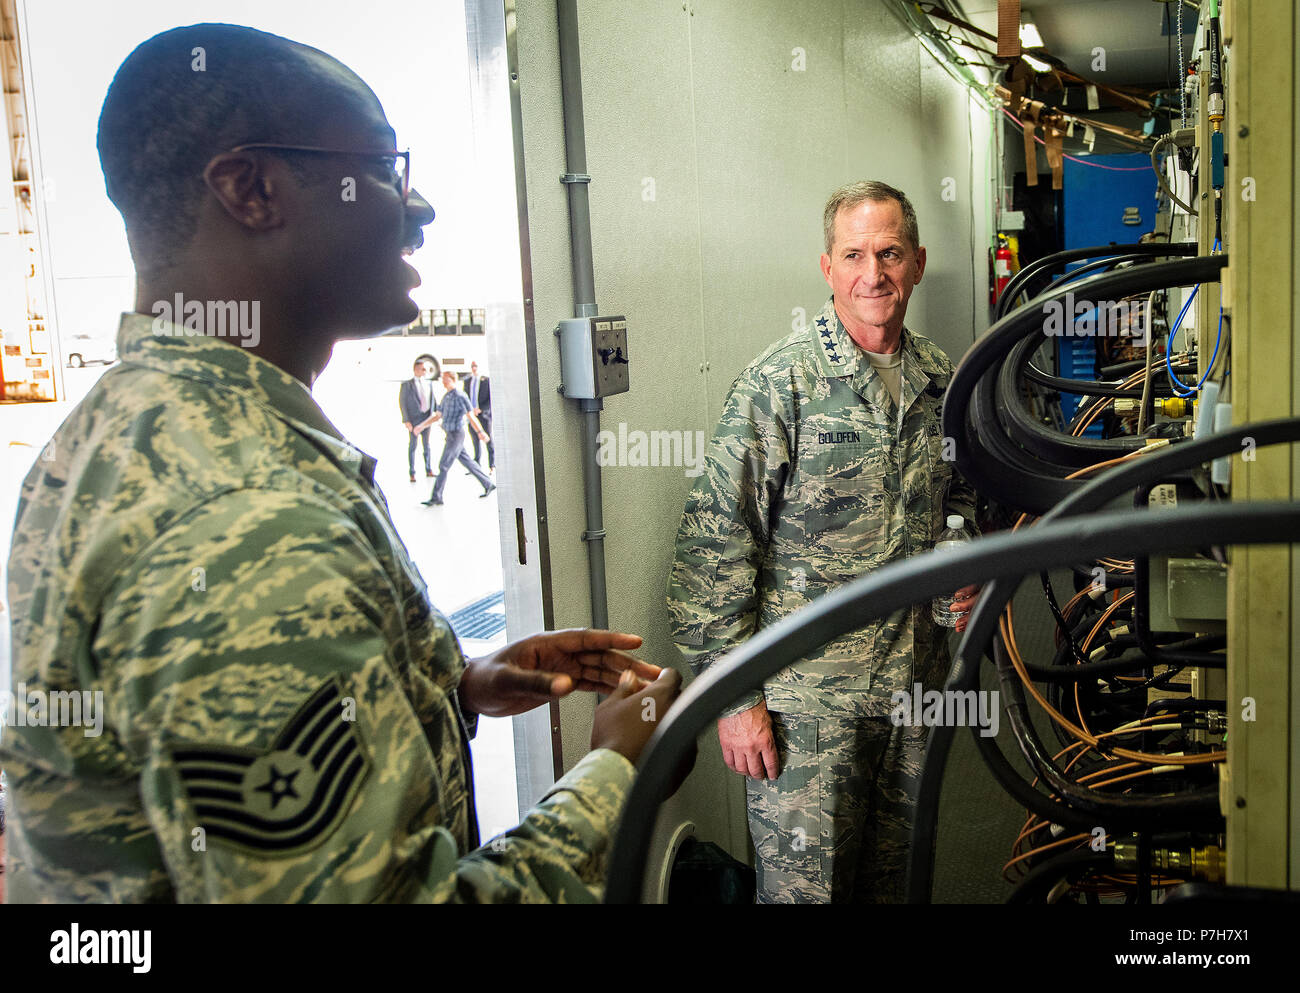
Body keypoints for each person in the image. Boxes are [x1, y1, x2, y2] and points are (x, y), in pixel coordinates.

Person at [1, 22, 682, 904]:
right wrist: (619, 766)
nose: (419, 207)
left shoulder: (121, 432)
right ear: (252, 189)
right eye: (384, 168)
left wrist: (448, 687)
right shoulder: (249, 521)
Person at [667, 180, 980, 904]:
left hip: (914, 696)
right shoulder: (780, 385)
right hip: (807, 711)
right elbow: (713, 549)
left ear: (918, 262)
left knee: (899, 889)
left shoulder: (943, 381)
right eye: (855, 255)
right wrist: (735, 699)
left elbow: (964, 501)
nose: (874, 274)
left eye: (891, 253)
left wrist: (963, 557)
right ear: (828, 267)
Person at [419, 370, 495, 506]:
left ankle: (436, 497)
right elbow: (438, 415)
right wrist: (422, 426)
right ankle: (488, 484)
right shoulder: (446, 396)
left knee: (444, 465)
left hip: (456, 435)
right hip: (450, 435)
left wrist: (481, 432)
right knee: (468, 462)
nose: (443, 381)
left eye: (446, 379)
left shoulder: (460, 396)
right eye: (443, 379)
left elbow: (470, 416)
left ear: (453, 380)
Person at [399, 355, 437, 482]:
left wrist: (436, 415)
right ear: (416, 370)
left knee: (427, 445)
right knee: (413, 446)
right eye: (422, 369)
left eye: (425, 369)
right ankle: (412, 472)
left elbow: (432, 400)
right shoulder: (407, 385)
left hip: (426, 419)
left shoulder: (428, 383)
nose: (425, 371)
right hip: (414, 420)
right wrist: (406, 421)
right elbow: (402, 403)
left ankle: (428, 469)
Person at [461, 361, 494, 472]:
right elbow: (465, 397)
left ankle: (492, 464)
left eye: (476, 366)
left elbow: (490, 399)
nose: (474, 368)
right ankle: (477, 464)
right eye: (472, 366)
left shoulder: (486, 380)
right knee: (475, 440)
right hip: (472, 415)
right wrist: (470, 410)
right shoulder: (467, 381)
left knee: (488, 439)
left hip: (484, 415)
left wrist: (481, 409)